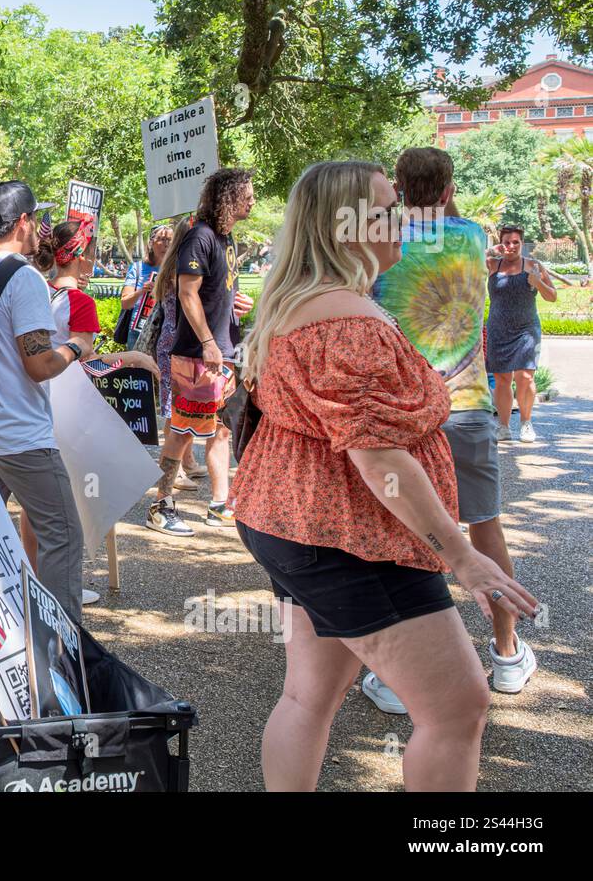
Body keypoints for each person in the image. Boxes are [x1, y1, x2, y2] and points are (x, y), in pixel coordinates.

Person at [230, 160, 537, 791]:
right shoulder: (348, 319)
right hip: (349, 538)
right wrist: (462, 556)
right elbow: (381, 461)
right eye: (387, 209)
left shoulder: (296, 302)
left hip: (294, 524)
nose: (404, 220)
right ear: (344, 228)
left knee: (308, 696)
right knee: (457, 706)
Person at [371, 148, 537, 703]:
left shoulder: (379, 238)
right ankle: (507, 653)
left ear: (396, 187)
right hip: (465, 406)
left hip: (404, 413)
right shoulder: (470, 237)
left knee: (404, 537)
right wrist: (438, 196)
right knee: (484, 527)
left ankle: (400, 674)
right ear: (449, 191)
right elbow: (446, 211)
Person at [0, 181, 95, 621]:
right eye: (38, 219)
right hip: (20, 435)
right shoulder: (24, 277)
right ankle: (63, 649)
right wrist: (76, 346)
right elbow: (39, 365)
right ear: (24, 221)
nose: (42, 230)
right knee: (63, 536)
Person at [35, 216, 162, 605]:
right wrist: (132, 356)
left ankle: (36, 581)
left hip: (38, 406)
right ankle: (60, 588)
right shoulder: (81, 303)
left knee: (37, 507)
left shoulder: (37, 293)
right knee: (66, 510)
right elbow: (84, 361)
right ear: (84, 258)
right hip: (70, 410)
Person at [146, 168, 256, 536]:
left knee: (220, 430)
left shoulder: (226, 240)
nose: (253, 200)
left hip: (222, 353)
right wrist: (208, 342)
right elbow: (187, 293)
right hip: (197, 355)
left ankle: (219, 504)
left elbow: (213, 294)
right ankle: (161, 505)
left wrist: (236, 304)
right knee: (182, 431)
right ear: (228, 198)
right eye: (248, 194)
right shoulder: (201, 237)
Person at [145, 217, 208, 492]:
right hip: (176, 345)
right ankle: (175, 470)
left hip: (168, 342)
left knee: (177, 408)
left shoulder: (170, 268)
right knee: (175, 411)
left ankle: (188, 461)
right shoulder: (178, 273)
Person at [486, 225, 556, 443]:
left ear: (521, 244)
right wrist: (490, 251)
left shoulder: (534, 266)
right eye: (507, 242)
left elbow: (552, 296)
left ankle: (526, 423)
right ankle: (504, 427)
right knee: (502, 378)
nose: (511, 246)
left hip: (526, 329)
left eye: (516, 242)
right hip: (498, 328)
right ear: (501, 243)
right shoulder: (491, 265)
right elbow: (468, 262)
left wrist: (538, 283)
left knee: (525, 377)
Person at [120, 224, 172, 349]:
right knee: (137, 368)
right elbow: (125, 303)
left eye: (170, 240)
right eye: (162, 239)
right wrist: (142, 291)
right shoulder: (137, 268)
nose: (166, 244)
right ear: (151, 243)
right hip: (138, 332)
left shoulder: (175, 269)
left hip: (166, 332)